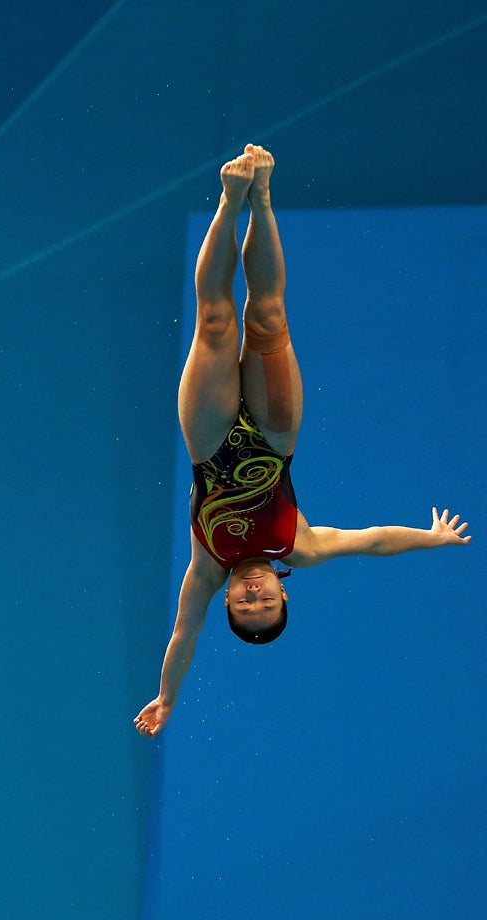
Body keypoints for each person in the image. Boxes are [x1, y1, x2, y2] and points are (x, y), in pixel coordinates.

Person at [133, 144, 469, 738]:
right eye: (266, 603)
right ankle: (262, 197)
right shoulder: (301, 547)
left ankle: (228, 201)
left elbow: (184, 635)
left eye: (245, 606)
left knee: (214, 321)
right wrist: (432, 538)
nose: (253, 595)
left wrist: (166, 697)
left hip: (208, 442)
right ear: (284, 597)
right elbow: (373, 540)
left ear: (228, 601)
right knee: (267, 318)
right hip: (274, 435)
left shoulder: (207, 570)